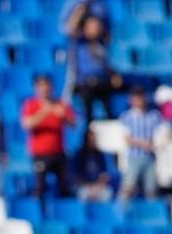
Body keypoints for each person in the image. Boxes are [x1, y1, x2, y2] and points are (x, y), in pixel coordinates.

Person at [21, 73, 75, 206]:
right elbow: (27, 124)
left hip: (58, 152)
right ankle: (38, 214)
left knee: (64, 186)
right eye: (41, 87)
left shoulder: (60, 104)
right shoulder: (31, 105)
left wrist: (63, 116)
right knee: (40, 187)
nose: (45, 90)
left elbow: (73, 123)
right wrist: (44, 112)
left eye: (47, 86)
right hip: (40, 153)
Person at [69, 15, 122, 121]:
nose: (95, 28)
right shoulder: (80, 42)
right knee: (87, 108)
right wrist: (81, 9)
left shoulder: (103, 44)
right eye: (92, 26)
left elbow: (106, 64)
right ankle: (87, 129)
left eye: (97, 25)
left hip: (102, 82)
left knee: (110, 105)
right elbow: (71, 29)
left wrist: (113, 75)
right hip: (85, 83)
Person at [118, 86, 161, 203]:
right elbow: (127, 139)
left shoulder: (154, 116)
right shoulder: (127, 117)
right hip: (134, 157)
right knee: (128, 187)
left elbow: (160, 135)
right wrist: (143, 144)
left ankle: (153, 214)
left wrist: (154, 144)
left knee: (151, 189)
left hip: (150, 157)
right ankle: (121, 212)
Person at [71, 130, 113, 202]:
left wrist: (98, 186)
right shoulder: (79, 155)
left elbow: (105, 175)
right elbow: (76, 176)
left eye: (93, 139)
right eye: (89, 139)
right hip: (84, 186)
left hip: (98, 187)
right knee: (82, 194)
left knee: (107, 194)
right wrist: (89, 186)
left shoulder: (100, 155)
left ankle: (101, 213)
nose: (92, 141)